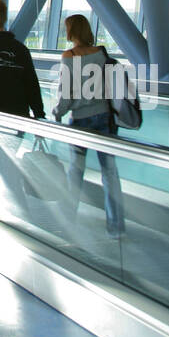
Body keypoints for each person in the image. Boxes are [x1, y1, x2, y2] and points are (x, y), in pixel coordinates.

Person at [53, 14, 125, 238]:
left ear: (71, 31)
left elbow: (66, 93)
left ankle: (67, 220)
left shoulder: (69, 56)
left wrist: (58, 112)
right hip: (104, 117)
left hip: (80, 120)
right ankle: (116, 227)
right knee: (110, 173)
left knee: (75, 171)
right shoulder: (101, 54)